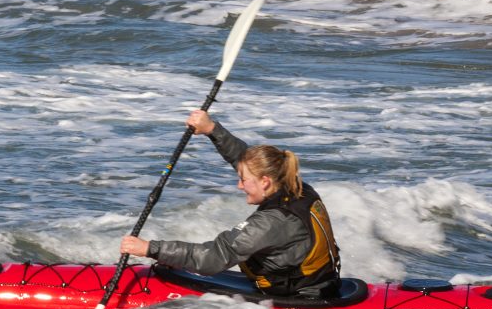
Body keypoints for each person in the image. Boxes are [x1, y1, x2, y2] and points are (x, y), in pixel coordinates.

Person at [119, 109, 341, 297]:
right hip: (322, 282)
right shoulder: (294, 184)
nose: (239, 186)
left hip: (298, 296)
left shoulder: (270, 223)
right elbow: (244, 158)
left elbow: (214, 257)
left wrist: (150, 249)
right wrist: (211, 129)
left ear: (265, 182)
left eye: (243, 180)